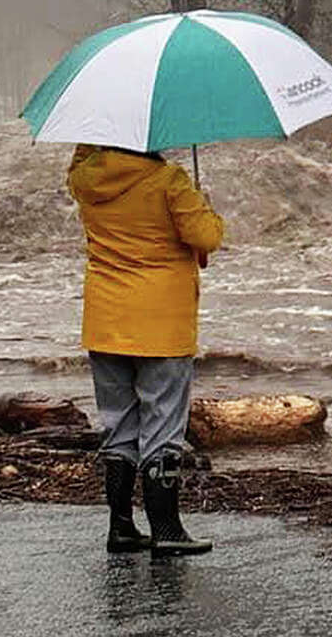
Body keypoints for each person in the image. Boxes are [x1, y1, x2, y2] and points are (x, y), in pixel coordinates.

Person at [67, 143, 225, 556]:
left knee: (118, 424)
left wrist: (89, 142)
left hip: (106, 321)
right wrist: (205, 207)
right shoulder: (169, 181)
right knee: (163, 423)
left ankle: (120, 527)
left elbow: (80, 159)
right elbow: (205, 236)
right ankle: (166, 529)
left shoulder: (86, 178)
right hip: (161, 322)